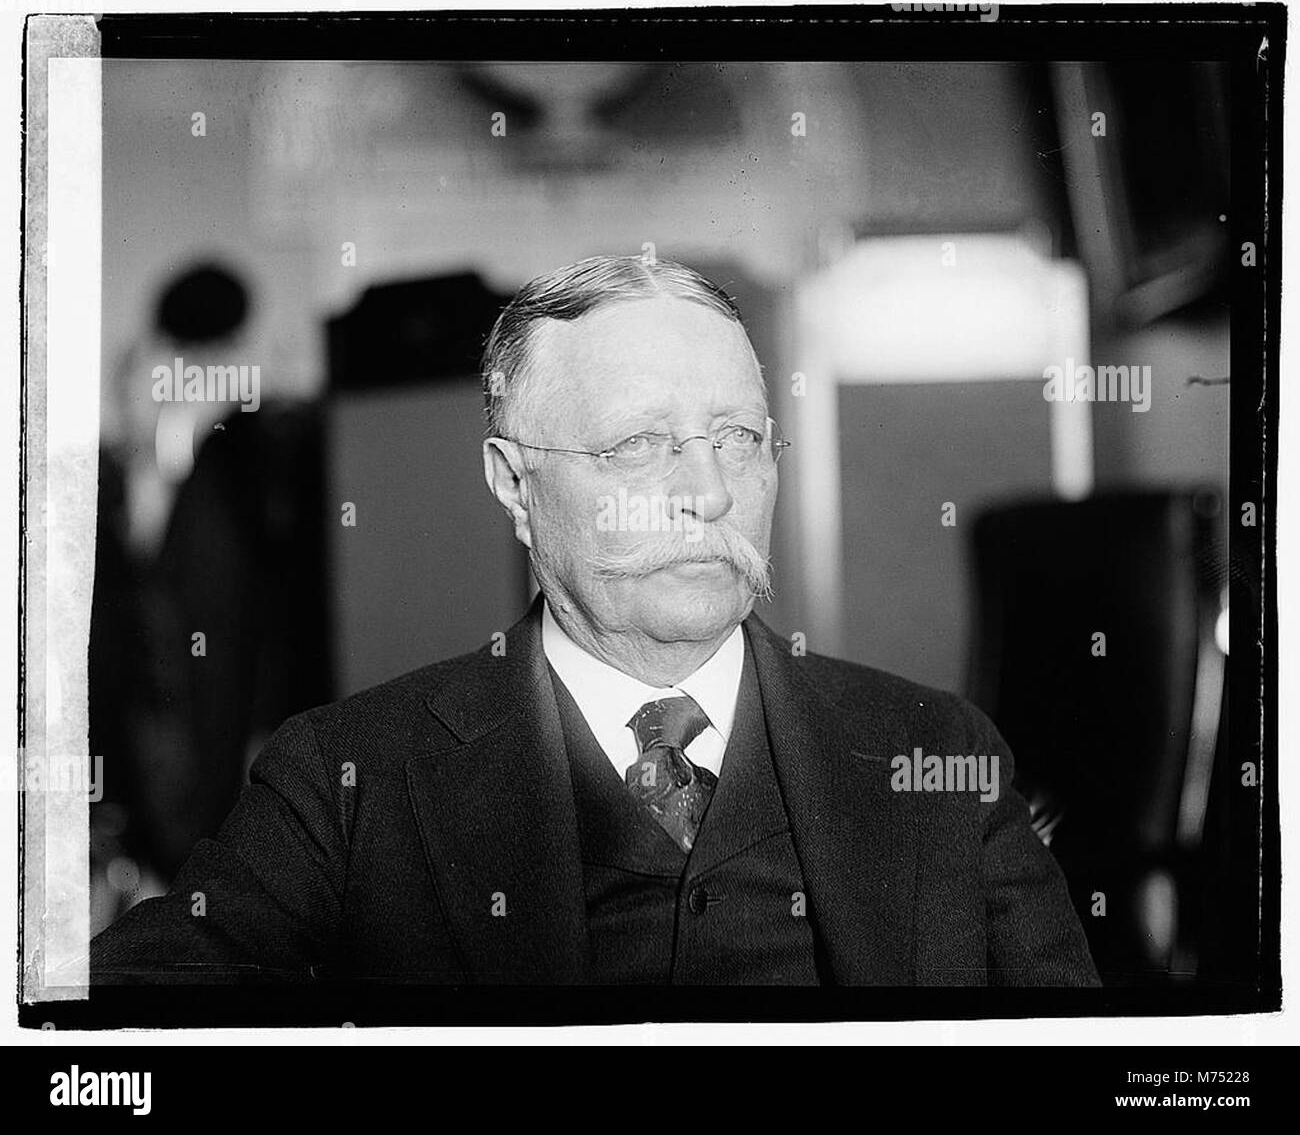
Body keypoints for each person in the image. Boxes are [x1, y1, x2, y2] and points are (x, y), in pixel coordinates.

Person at [91, 255, 1099, 987]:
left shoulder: (939, 758)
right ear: (514, 484)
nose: (707, 489)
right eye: (636, 446)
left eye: (737, 436)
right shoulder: (347, 779)